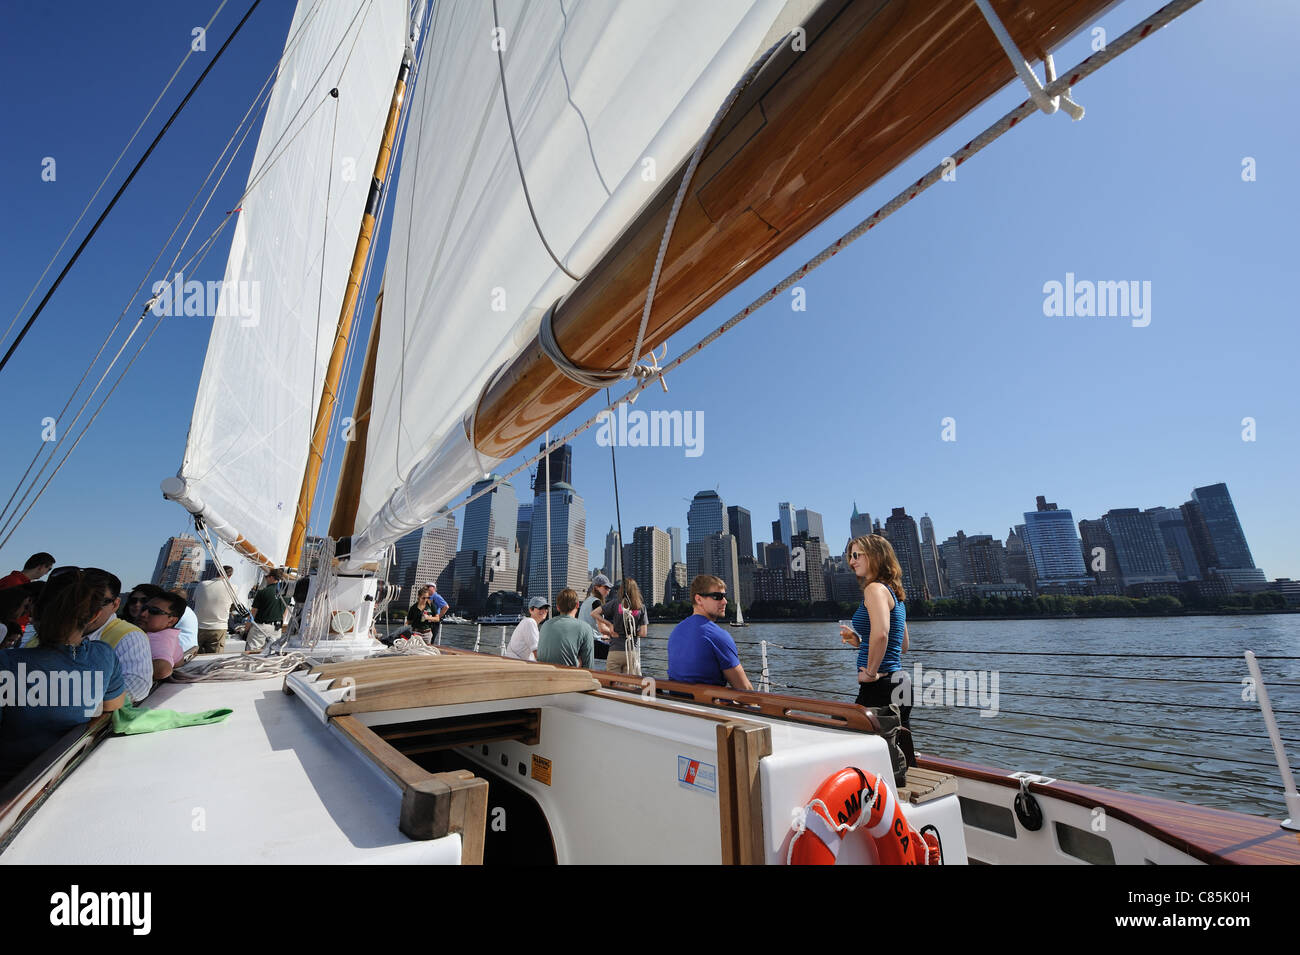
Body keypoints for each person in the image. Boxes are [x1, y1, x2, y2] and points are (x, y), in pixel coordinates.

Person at [0, 568, 125, 784]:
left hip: (9, 788)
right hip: (64, 776)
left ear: (34, 611)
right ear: (94, 616)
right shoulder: (104, 656)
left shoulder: (6, 664)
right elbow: (112, 707)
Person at [839, 534, 914, 764]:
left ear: (875, 556)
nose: (851, 562)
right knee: (900, 749)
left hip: (879, 685)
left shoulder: (874, 590)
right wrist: (860, 643)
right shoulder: (894, 593)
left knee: (864, 750)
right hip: (900, 681)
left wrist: (870, 673)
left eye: (856, 555)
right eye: (849, 556)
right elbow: (902, 645)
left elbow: (881, 634)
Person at [667, 575, 753, 689]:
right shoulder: (717, 636)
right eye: (717, 596)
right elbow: (745, 690)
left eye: (724, 596)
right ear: (699, 599)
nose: (725, 601)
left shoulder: (676, 631)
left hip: (678, 703)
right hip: (708, 706)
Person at [535, 588, 594, 668]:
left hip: (544, 675)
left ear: (558, 607)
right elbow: (589, 665)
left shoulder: (546, 624)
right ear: (577, 605)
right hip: (567, 677)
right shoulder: (585, 628)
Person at [0, 551, 55, 638]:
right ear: (40, 567)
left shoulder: (14, 581)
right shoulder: (14, 583)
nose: (46, 573)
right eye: (48, 569)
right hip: (7, 634)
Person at [136, 591, 186, 680]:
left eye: (154, 611)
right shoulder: (168, 635)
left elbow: (163, 669)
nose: (143, 614)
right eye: (144, 608)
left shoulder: (157, 639)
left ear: (171, 621)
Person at [603, 578, 647, 675]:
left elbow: (594, 613)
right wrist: (632, 632)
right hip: (631, 652)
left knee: (612, 685)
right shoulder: (641, 607)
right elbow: (643, 633)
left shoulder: (615, 603)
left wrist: (610, 625)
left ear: (621, 590)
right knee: (630, 687)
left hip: (615, 651)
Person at [193, 568, 239, 654]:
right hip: (218, 628)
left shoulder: (201, 584)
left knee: (193, 656)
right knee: (213, 659)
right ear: (230, 576)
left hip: (198, 627)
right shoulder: (233, 588)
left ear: (217, 572)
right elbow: (232, 607)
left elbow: (195, 600)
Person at [246, 569, 287, 653]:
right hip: (277, 629)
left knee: (252, 652)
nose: (266, 579)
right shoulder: (286, 594)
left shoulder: (262, 592)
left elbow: (253, 612)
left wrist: (246, 629)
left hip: (261, 628)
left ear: (272, 577)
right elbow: (285, 612)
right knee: (272, 653)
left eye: (267, 577)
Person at [505, 596, 549, 661]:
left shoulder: (527, 622)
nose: (544, 610)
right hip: (516, 664)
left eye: (546, 608)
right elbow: (537, 652)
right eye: (540, 608)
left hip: (515, 662)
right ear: (531, 610)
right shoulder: (530, 622)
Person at [579, 574, 616, 641]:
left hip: (583, 640)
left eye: (609, 589)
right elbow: (602, 628)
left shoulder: (587, 600)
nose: (608, 591)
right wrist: (617, 633)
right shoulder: (596, 602)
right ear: (596, 587)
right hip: (593, 641)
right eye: (606, 588)